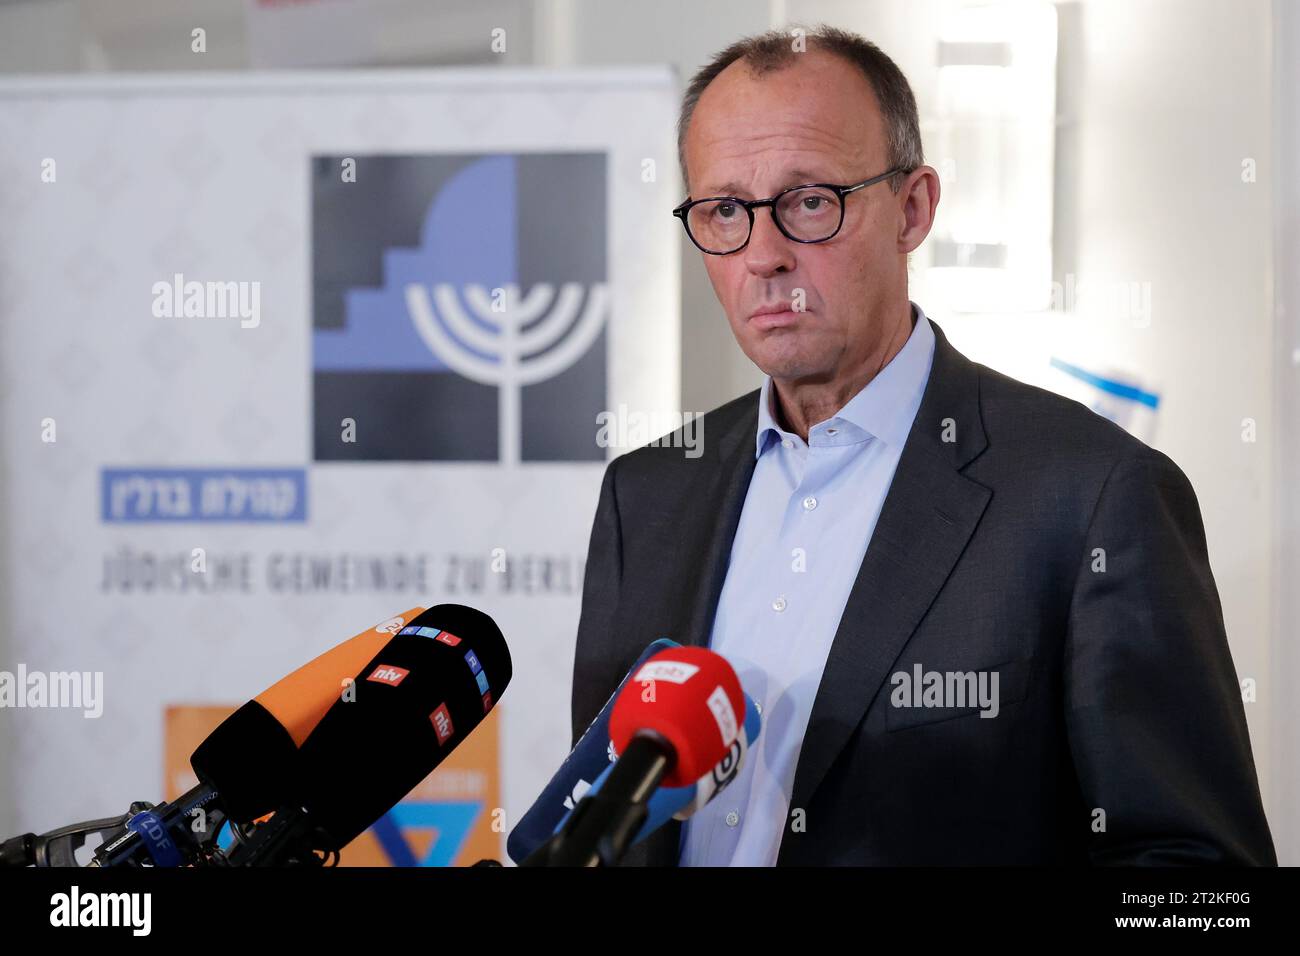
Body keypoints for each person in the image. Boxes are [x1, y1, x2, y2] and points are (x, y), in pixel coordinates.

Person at [570, 25, 1275, 866]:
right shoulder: (643, 495)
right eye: (724, 209)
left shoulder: (1092, 495)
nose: (762, 255)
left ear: (912, 209)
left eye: (807, 201)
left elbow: (1201, 881)